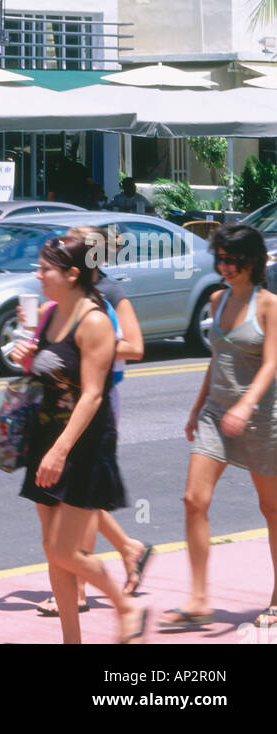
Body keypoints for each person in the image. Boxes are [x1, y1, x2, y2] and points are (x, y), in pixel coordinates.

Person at [10, 233, 146, 644]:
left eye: (45, 269)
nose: (38, 275)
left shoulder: (95, 320)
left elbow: (92, 393)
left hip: (81, 442)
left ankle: (126, 607)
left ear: (71, 274)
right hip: (47, 434)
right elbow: (48, 368)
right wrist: (26, 355)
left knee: (64, 551)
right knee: (53, 550)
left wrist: (61, 450)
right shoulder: (51, 313)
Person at [161, 224, 277, 630]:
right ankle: (198, 599)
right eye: (220, 260)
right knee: (194, 500)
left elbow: (271, 364)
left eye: (232, 260)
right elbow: (218, 360)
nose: (224, 267)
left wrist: (246, 405)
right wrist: (196, 409)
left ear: (251, 262)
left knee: (272, 508)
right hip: (215, 414)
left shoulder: (268, 306)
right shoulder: (216, 298)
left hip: (262, 419)